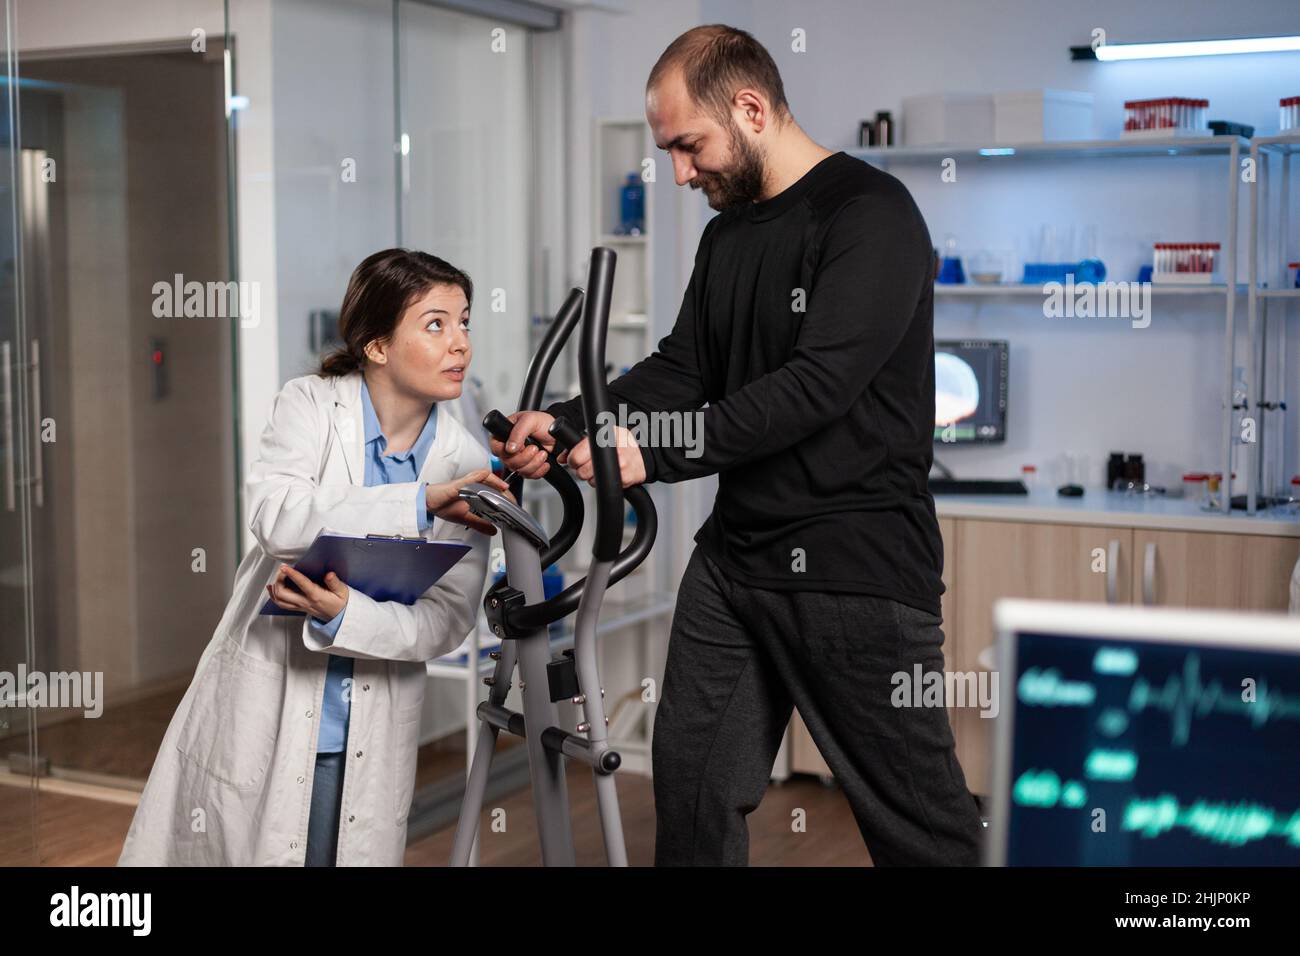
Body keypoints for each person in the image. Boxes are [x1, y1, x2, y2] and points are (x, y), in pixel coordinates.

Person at [496, 25, 984, 866]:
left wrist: (653, 456)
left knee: (924, 832)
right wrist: (571, 419)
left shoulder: (871, 216)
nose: (681, 173)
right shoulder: (729, 234)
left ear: (751, 108)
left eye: (690, 146)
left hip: (855, 571)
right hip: (736, 566)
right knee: (689, 800)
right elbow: (686, 367)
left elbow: (817, 387)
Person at [118, 249, 508, 866]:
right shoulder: (310, 406)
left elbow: (445, 620)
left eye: (464, 322)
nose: (459, 343)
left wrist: (346, 613)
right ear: (377, 346)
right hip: (266, 706)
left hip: (366, 728)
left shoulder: (465, 466)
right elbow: (278, 517)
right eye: (436, 324)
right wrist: (420, 503)